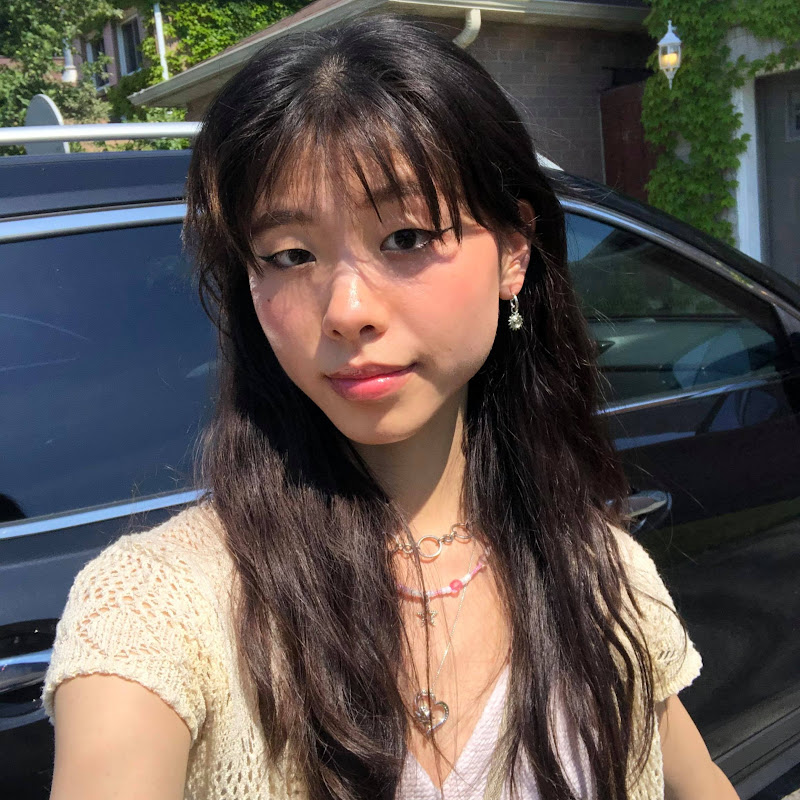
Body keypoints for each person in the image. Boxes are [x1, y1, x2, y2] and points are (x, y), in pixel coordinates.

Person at [44, 14, 739, 800]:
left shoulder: (597, 572)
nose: (347, 310)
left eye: (406, 237)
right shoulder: (157, 607)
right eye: (290, 255)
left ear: (514, 251)